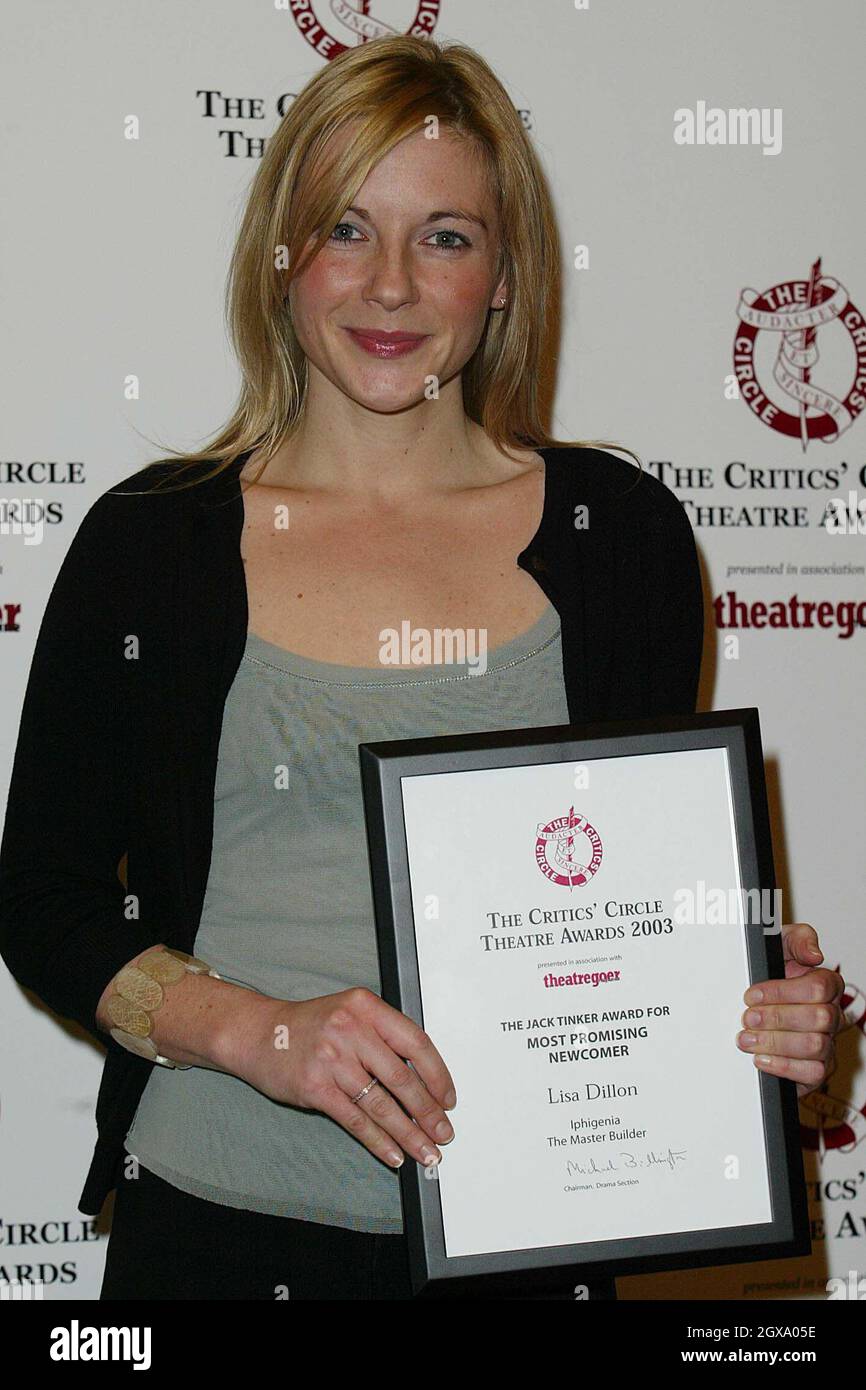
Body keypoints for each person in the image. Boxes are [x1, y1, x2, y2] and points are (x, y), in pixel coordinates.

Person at [0, 35, 843, 1302]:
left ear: (502, 277)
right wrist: (264, 1034)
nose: (390, 285)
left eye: (444, 236)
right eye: (346, 228)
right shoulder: (150, 545)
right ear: (281, 260)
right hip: (215, 1238)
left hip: (532, 1247)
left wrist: (746, 990)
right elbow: (45, 898)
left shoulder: (619, 541)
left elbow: (630, 898)